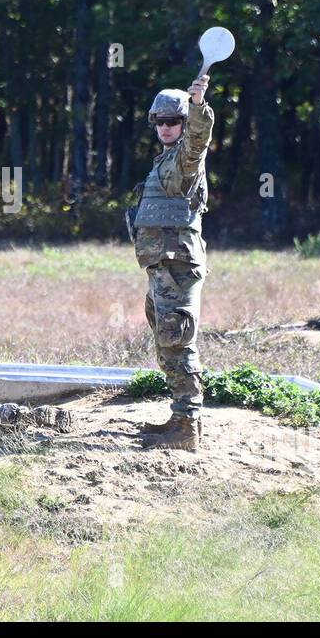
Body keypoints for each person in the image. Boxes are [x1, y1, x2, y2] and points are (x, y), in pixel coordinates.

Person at [127, 71, 215, 451]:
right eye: (160, 121)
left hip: (177, 265)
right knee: (167, 338)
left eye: (173, 121)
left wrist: (198, 108)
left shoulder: (185, 158)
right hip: (163, 266)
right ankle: (181, 418)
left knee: (176, 339)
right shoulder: (163, 161)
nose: (166, 127)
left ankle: (187, 426)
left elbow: (198, 140)